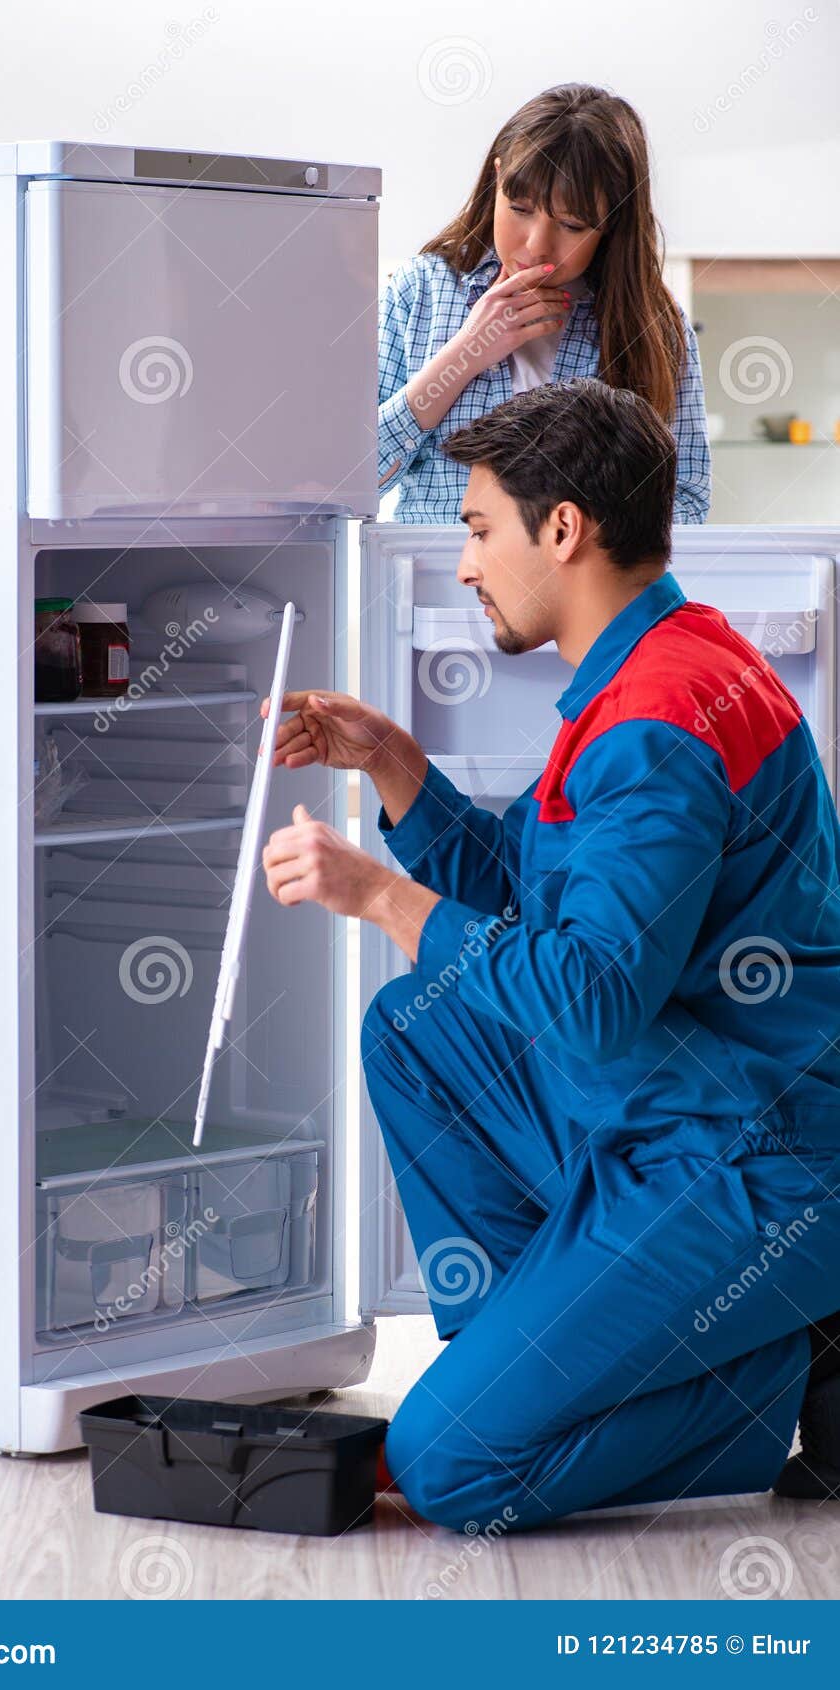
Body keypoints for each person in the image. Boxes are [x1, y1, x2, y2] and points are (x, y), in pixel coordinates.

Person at [261, 377, 840, 1531]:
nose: (468, 563)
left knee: (448, 1466)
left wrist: (382, 896)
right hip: (674, 1108)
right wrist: (395, 767)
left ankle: (776, 1368)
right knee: (415, 1028)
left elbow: (590, 1000)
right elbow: (535, 897)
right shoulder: (662, 663)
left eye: (479, 529)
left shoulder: (655, 725)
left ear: (562, 528)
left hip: (749, 1164)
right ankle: (547, 1361)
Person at [379, 83, 711, 526]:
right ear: (497, 179)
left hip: (585, 596)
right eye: (519, 208)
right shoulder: (419, 292)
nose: (536, 246)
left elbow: (685, 503)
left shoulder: (653, 328)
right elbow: (349, 483)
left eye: (572, 225)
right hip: (432, 589)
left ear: (613, 223)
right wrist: (465, 355)